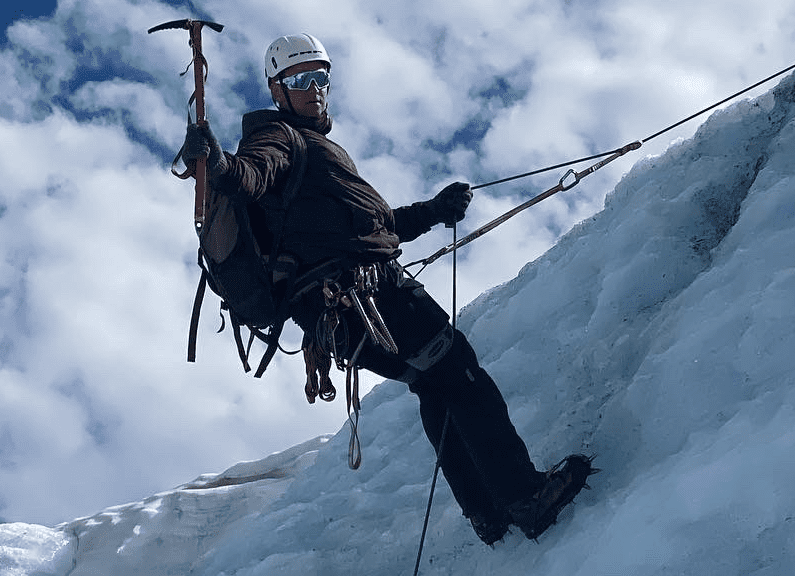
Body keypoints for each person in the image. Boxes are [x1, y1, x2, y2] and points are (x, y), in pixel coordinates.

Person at [183, 33, 590, 544]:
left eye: (322, 79)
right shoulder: (281, 139)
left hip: (338, 313)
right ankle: (523, 497)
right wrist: (219, 166)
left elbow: (369, 229)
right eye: (302, 81)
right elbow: (249, 175)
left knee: (435, 383)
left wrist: (435, 211)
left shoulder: (312, 155)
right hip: (365, 294)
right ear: (277, 89)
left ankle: (488, 514)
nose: (316, 91)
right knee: (460, 373)